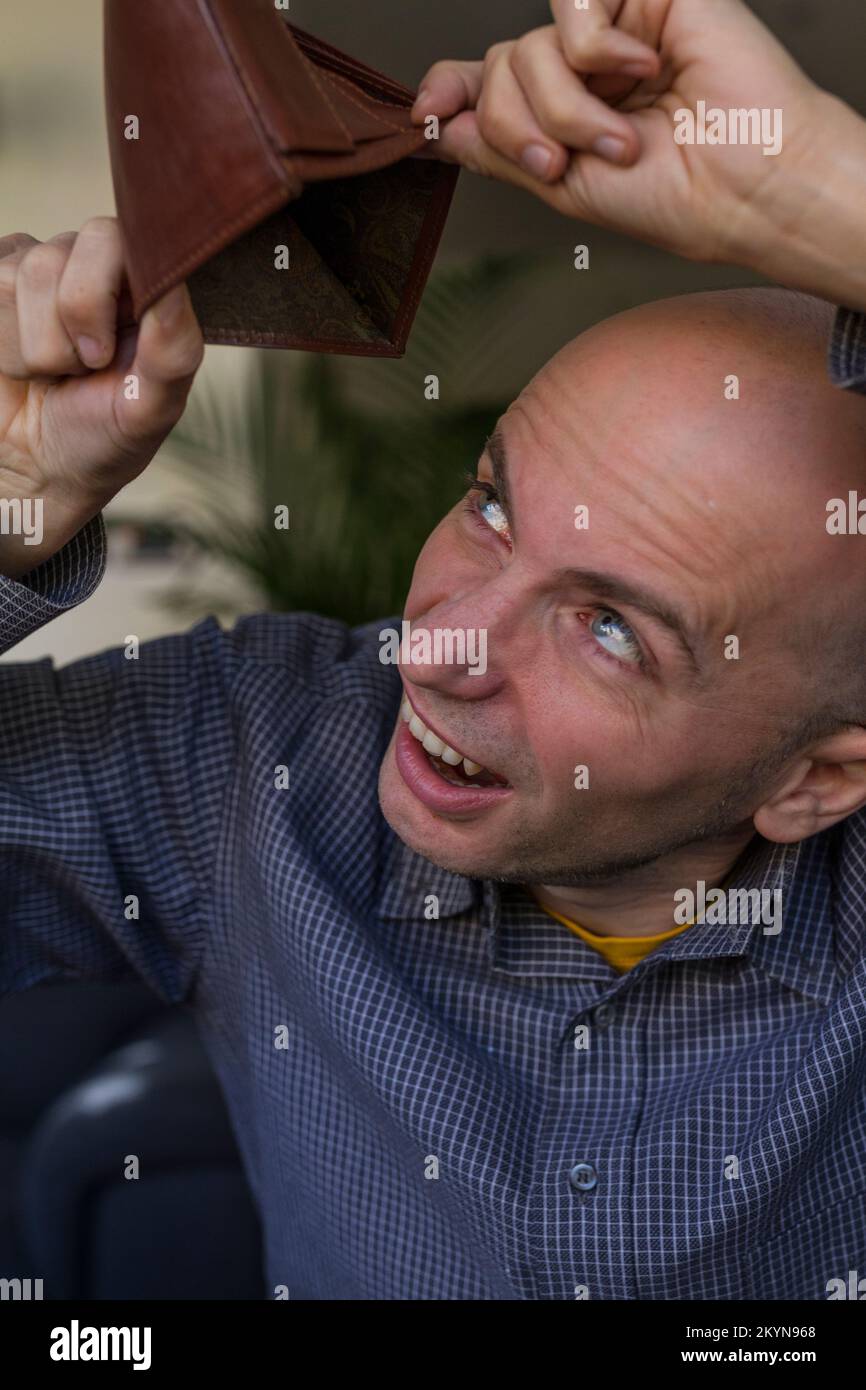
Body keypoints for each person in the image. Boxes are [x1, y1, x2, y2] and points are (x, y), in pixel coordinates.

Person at [1, 0, 865, 1302]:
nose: (438, 639)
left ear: (813, 781)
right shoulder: (257, 752)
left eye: (611, 628)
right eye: (492, 504)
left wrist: (823, 198)